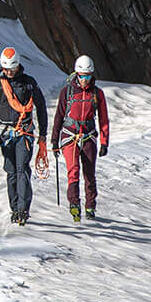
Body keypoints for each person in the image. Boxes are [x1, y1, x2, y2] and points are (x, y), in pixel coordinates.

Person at [0, 46, 47, 225]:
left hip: (24, 133)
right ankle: (14, 208)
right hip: (5, 134)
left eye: (11, 69)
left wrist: (43, 134)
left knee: (22, 169)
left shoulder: (28, 83)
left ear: (18, 66)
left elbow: (41, 107)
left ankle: (23, 210)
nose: (8, 72)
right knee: (11, 172)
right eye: (6, 69)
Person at [51, 54, 110, 223]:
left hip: (89, 136)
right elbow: (59, 117)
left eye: (88, 76)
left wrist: (105, 142)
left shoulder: (97, 94)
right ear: (77, 74)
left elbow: (104, 119)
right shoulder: (67, 92)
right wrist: (54, 140)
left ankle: (90, 206)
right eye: (82, 76)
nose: (84, 80)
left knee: (89, 174)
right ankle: (74, 204)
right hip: (70, 136)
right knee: (73, 170)